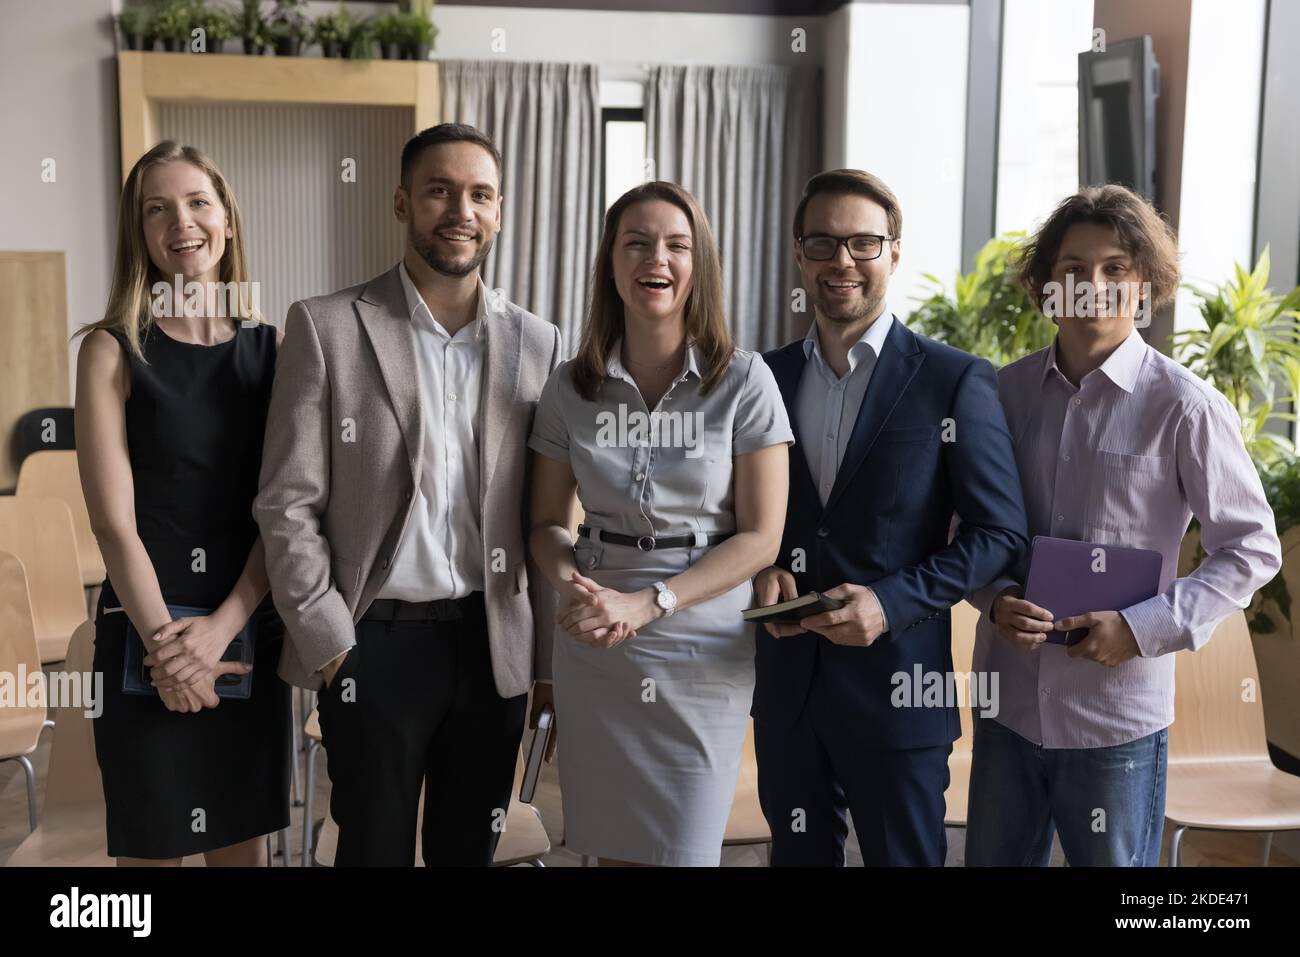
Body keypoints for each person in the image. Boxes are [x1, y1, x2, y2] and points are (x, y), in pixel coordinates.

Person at [253, 123, 561, 866]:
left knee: (469, 853)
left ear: (499, 210)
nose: (461, 209)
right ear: (401, 202)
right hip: (372, 646)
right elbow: (285, 504)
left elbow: (546, 517)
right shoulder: (325, 327)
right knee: (373, 853)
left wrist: (544, 663)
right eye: (439, 190)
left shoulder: (538, 343)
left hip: (492, 649)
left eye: (479, 194)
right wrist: (333, 648)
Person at [964, 184, 1282, 867]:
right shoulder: (1000, 394)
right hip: (1009, 702)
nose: (1093, 285)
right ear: (1048, 283)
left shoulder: (1186, 407)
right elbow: (967, 526)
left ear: (1145, 284)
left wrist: (1143, 628)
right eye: (1073, 268)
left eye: (1114, 268)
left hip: (1116, 718)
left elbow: (1252, 547)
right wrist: (993, 601)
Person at [752, 169, 1029, 866]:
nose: (842, 260)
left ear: (894, 253)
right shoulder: (761, 377)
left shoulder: (954, 378)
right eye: (823, 242)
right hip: (788, 687)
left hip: (900, 689)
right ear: (799, 255)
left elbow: (999, 533)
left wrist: (889, 601)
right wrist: (761, 570)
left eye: (863, 243)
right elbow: (738, 515)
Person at [527, 181, 792, 866]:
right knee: (611, 850)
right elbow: (546, 524)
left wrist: (651, 602)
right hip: (597, 639)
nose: (658, 258)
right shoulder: (568, 386)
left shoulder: (746, 380)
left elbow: (761, 536)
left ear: (697, 264)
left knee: (683, 850)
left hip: (702, 639)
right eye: (637, 243)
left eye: (677, 245)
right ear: (611, 264)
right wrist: (574, 587)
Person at [75, 141, 290, 865]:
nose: (181, 222)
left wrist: (224, 628)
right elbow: (112, 522)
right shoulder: (110, 349)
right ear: (140, 232)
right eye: (157, 209)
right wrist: (172, 650)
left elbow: (284, 510)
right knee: (152, 856)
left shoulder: (275, 350)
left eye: (198, 202)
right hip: (144, 624)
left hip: (246, 627)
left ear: (227, 220)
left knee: (240, 850)